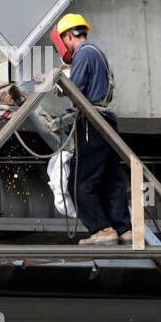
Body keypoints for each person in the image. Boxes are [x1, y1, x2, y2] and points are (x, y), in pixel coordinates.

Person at [55, 13, 132, 246]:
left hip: (91, 122)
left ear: (68, 35)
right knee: (111, 179)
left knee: (80, 182)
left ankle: (102, 228)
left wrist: (61, 83)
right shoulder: (97, 52)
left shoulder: (83, 54)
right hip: (107, 120)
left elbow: (75, 93)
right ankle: (124, 229)